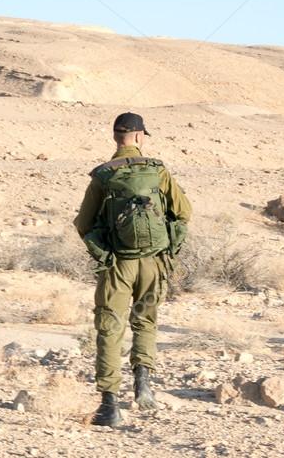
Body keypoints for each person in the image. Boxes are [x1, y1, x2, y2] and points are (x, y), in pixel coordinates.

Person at [73, 112, 192, 426]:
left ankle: (109, 405)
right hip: (153, 264)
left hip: (117, 266)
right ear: (140, 137)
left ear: (115, 137)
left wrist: (103, 249)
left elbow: (83, 224)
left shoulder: (103, 175)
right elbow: (183, 212)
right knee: (146, 322)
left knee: (110, 328)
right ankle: (143, 386)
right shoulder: (158, 171)